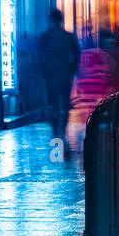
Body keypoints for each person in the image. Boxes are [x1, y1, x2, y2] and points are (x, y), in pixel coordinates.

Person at [36, 8, 80, 151]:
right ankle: (62, 130)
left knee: (53, 103)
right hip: (65, 72)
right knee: (65, 103)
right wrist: (72, 69)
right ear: (61, 20)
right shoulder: (68, 36)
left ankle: (55, 130)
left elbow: (40, 55)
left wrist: (42, 71)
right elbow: (76, 53)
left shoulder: (45, 37)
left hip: (50, 75)